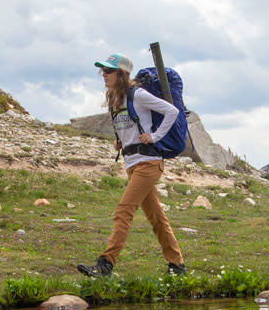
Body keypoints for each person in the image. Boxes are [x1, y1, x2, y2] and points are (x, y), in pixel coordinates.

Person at [77, 53, 187, 277]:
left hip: (148, 162)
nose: (104, 75)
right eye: (103, 71)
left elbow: (172, 111)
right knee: (156, 217)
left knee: (123, 211)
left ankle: (105, 264)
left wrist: (154, 136)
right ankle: (177, 265)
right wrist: (121, 141)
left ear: (122, 74)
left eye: (109, 71)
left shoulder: (138, 94)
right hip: (132, 163)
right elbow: (130, 126)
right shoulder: (115, 99)